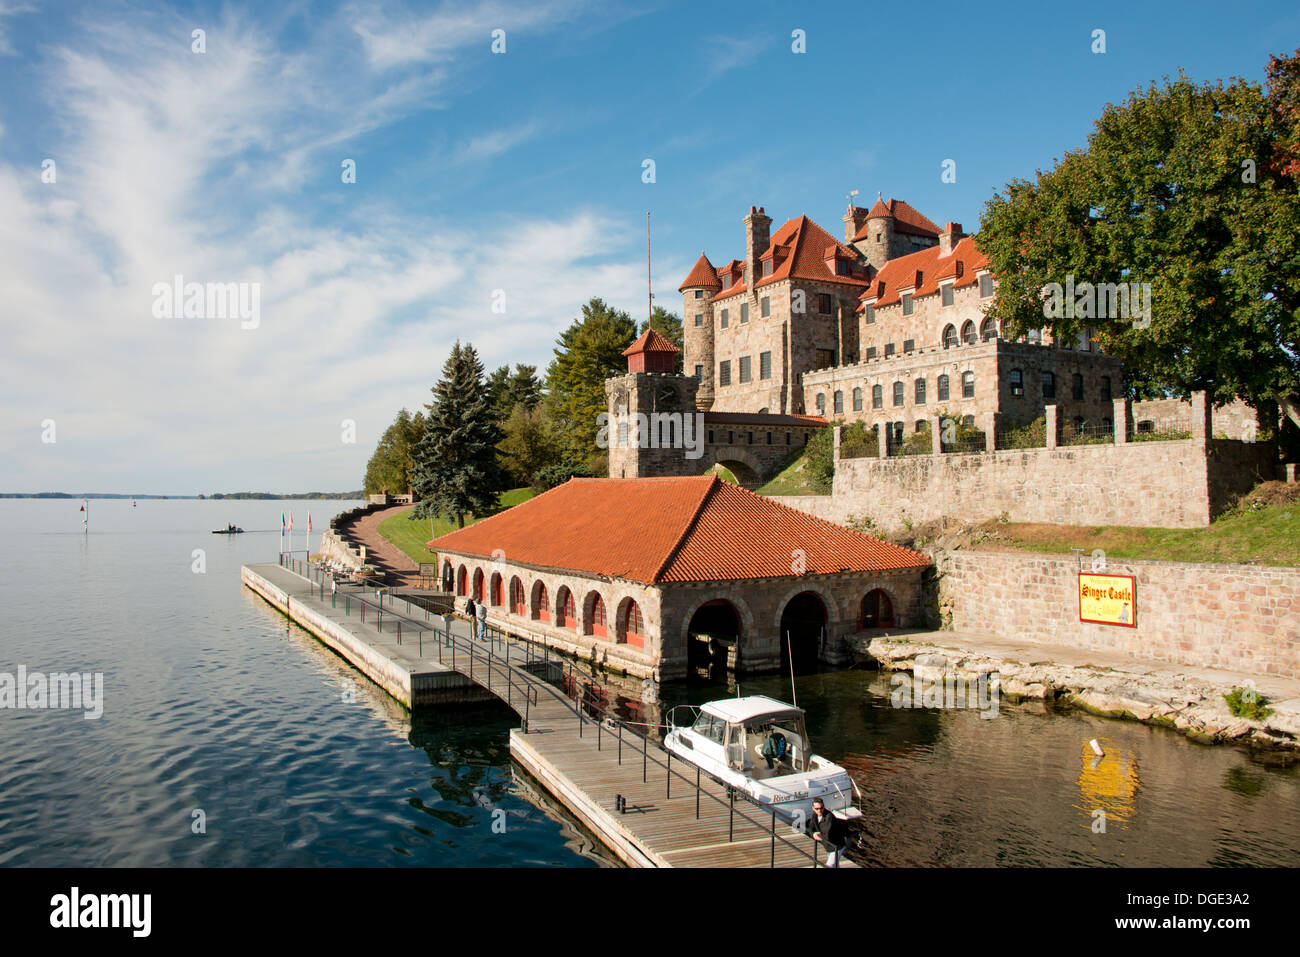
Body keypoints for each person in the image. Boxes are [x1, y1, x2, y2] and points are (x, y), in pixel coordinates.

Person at [810, 798, 848, 868]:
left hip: (837, 846)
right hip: (828, 846)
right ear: (813, 808)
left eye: (821, 808)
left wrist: (817, 835)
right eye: (817, 808)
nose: (819, 810)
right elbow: (811, 828)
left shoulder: (829, 817)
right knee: (835, 865)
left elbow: (826, 834)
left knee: (829, 866)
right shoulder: (814, 816)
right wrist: (813, 834)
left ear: (824, 807)